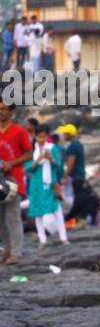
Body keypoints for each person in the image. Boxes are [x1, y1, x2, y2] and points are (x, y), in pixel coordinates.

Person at [0, 102, 33, 264]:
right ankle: (6, 250)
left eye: (3, 109)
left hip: (13, 178)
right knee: (1, 218)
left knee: (13, 215)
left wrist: (11, 163)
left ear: (12, 111)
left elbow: (29, 153)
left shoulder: (19, 131)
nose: (0, 113)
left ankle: (16, 252)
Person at [27, 124, 68, 248]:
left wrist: (51, 159)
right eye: (39, 137)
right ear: (35, 136)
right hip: (35, 184)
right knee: (37, 213)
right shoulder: (31, 149)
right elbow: (28, 168)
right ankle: (42, 240)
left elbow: (59, 166)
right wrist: (38, 159)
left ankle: (63, 237)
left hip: (50, 183)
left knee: (56, 210)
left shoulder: (53, 148)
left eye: (44, 137)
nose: (41, 139)